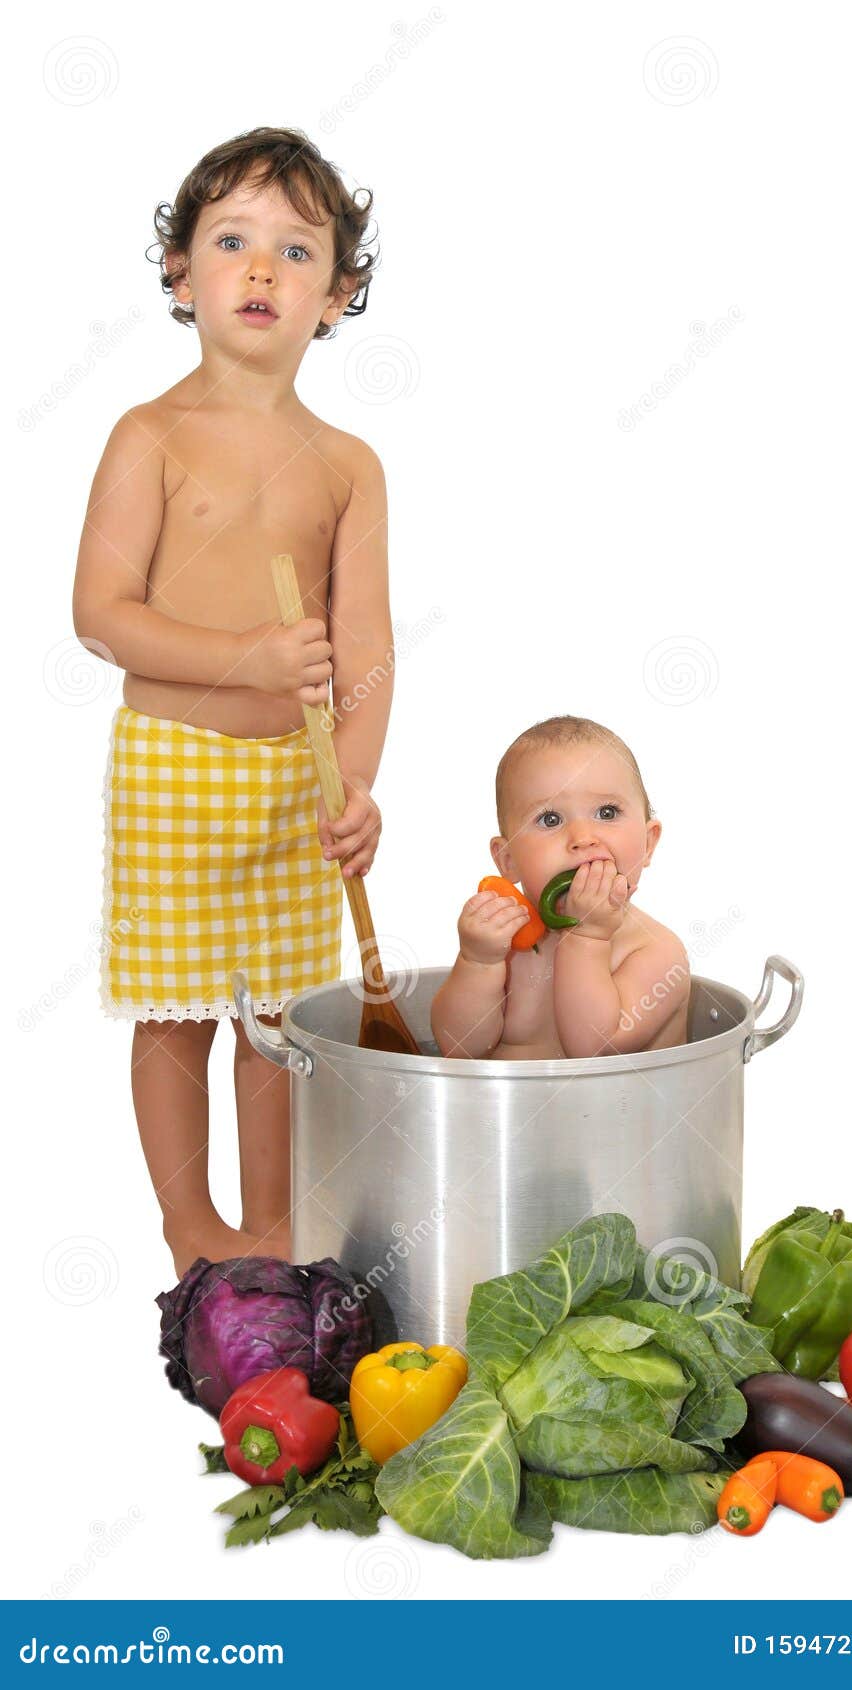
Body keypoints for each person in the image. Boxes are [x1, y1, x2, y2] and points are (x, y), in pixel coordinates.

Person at [72, 127, 394, 1275]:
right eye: (232, 241)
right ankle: (190, 1228)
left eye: (296, 250)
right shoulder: (149, 437)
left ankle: (271, 1222)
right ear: (179, 272)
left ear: (338, 292)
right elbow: (102, 615)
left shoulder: (348, 463)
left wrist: (354, 779)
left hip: (294, 794)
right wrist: (243, 658)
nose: (261, 271)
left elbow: (365, 650)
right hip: (174, 766)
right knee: (175, 1014)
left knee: (279, 1030)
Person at [432, 717, 690, 1060]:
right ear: (508, 861)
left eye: (607, 812)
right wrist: (477, 962)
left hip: (624, 1114)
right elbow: (459, 1049)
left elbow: (593, 1050)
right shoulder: (511, 943)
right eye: (550, 819)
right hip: (503, 1114)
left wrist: (589, 937)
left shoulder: (656, 952)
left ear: (649, 843)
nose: (583, 838)